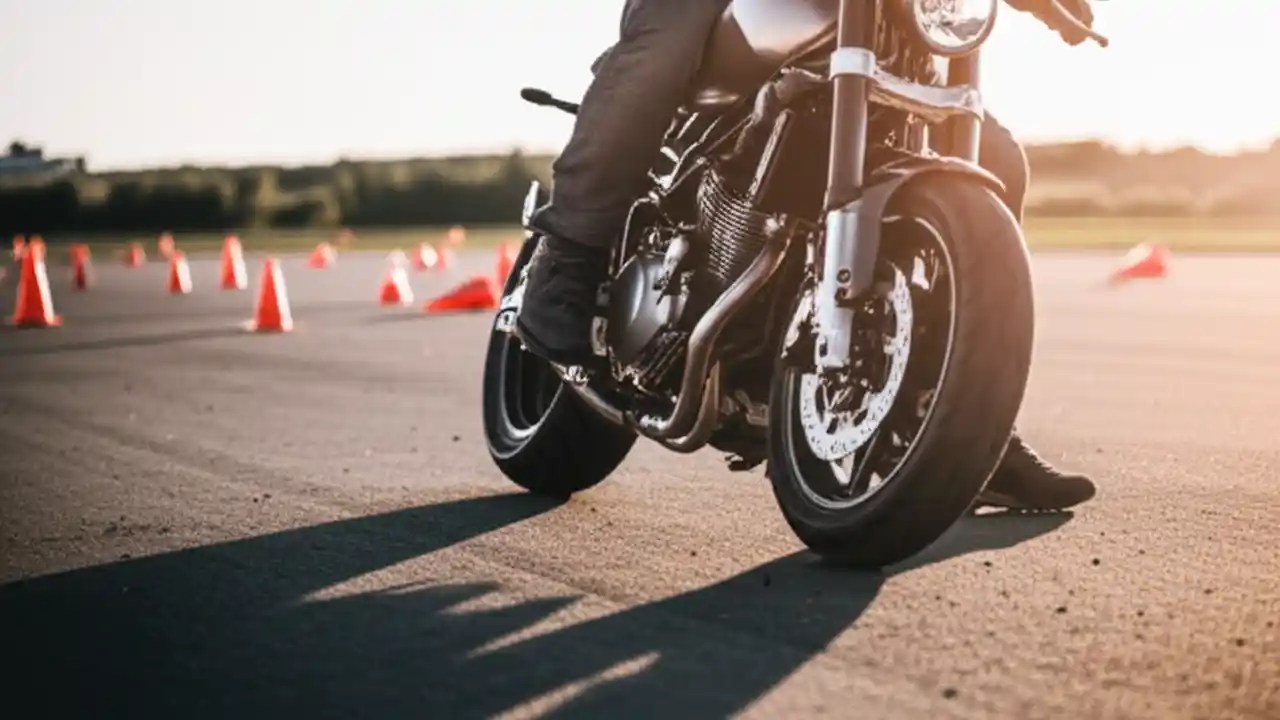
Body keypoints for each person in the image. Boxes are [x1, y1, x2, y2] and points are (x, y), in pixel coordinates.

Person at [517, 0, 1097, 510]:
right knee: (663, 49)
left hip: (886, 19)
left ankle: (963, 421)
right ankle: (566, 259)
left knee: (995, 157)